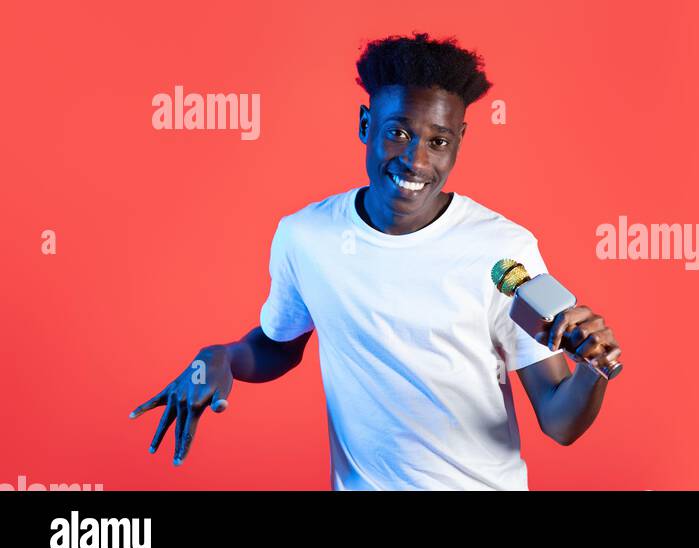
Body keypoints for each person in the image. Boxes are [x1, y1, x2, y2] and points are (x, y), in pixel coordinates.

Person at [129, 33, 623, 490]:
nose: (416, 161)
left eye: (438, 142)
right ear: (366, 125)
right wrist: (221, 357)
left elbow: (560, 424)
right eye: (399, 134)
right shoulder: (306, 237)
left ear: (459, 142)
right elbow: (279, 346)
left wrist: (592, 370)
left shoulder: (502, 250)